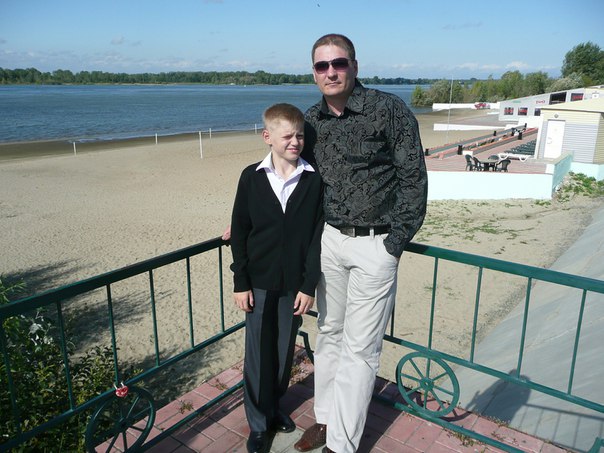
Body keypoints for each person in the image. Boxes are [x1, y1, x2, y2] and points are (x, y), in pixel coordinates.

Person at [293, 34, 428, 453]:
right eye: (322, 66)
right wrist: (245, 219)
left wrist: (395, 243)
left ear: (354, 65)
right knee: (329, 331)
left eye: (339, 63)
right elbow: (290, 175)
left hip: (376, 245)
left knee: (360, 349)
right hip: (329, 241)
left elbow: (414, 179)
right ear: (314, 73)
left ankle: (342, 444)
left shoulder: (388, 110)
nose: (331, 72)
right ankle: (326, 420)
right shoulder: (310, 121)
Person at [229, 103, 324, 453]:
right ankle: (258, 424)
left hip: (293, 285)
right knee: (258, 353)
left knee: (283, 351)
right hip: (257, 282)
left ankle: (273, 408)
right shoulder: (251, 177)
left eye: (299, 136)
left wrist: (308, 285)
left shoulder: (313, 180)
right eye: (287, 136)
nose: (295, 142)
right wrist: (240, 282)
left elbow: (316, 238)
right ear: (267, 136)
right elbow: (240, 230)